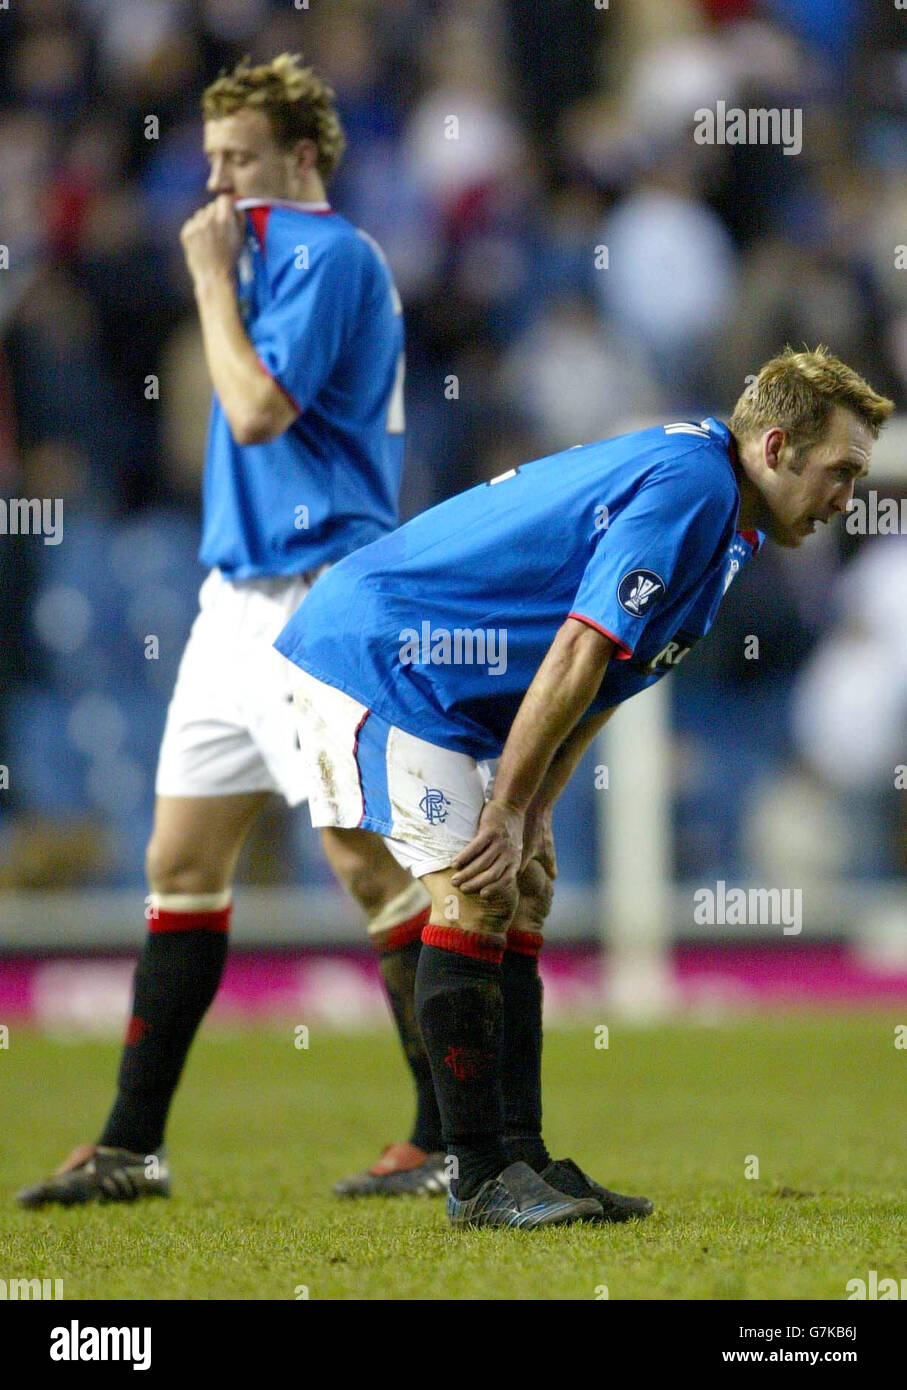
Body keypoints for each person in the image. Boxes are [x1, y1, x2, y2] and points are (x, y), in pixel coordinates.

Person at [274, 348, 893, 1228]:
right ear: (778, 445)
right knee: (475, 892)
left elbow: (603, 688)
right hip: (383, 658)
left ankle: (521, 1157)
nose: (846, 498)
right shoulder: (693, 486)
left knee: (520, 885)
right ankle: (477, 1177)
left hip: (451, 691)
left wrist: (529, 810)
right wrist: (502, 808)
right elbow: (577, 648)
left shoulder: (730, 525)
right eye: (840, 472)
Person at [18, 55, 445, 1210]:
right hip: (231, 600)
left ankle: (447, 1131)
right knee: (179, 863)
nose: (215, 184)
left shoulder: (326, 254)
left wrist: (209, 282)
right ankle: (130, 1145)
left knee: (363, 864)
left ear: (301, 155)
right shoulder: (261, 260)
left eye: (239, 158)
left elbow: (256, 412)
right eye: (207, 160)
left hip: (318, 598)